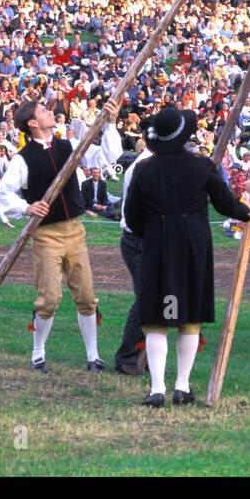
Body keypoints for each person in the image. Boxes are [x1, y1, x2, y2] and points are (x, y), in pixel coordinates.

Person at [125, 107, 250, 406]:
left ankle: (157, 389)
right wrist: (248, 209)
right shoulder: (202, 167)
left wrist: (154, 230)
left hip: (158, 243)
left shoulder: (144, 169)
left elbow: (132, 216)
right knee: (188, 317)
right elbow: (225, 205)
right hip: (193, 245)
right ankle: (181, 387)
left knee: (158, 317)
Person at [0, 98, 122, 372]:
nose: (50, 112)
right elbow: (3, 193)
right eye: (42, 111)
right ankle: (38, 354)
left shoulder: (69, 146)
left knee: (87, 297)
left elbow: (106, 157)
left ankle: (93, 356)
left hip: (75, 230)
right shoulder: (22, 158)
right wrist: (25, 207)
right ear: (32, 123)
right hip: (45, 235)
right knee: (49, 298)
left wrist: (110, 124)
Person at [113, 143, 151, 377]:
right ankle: (127, 356)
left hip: (157, 241)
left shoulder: (158, 164)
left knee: (168, 299)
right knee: (146, 299)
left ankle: (152, 356)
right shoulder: (142, 167)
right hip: (139, 241)